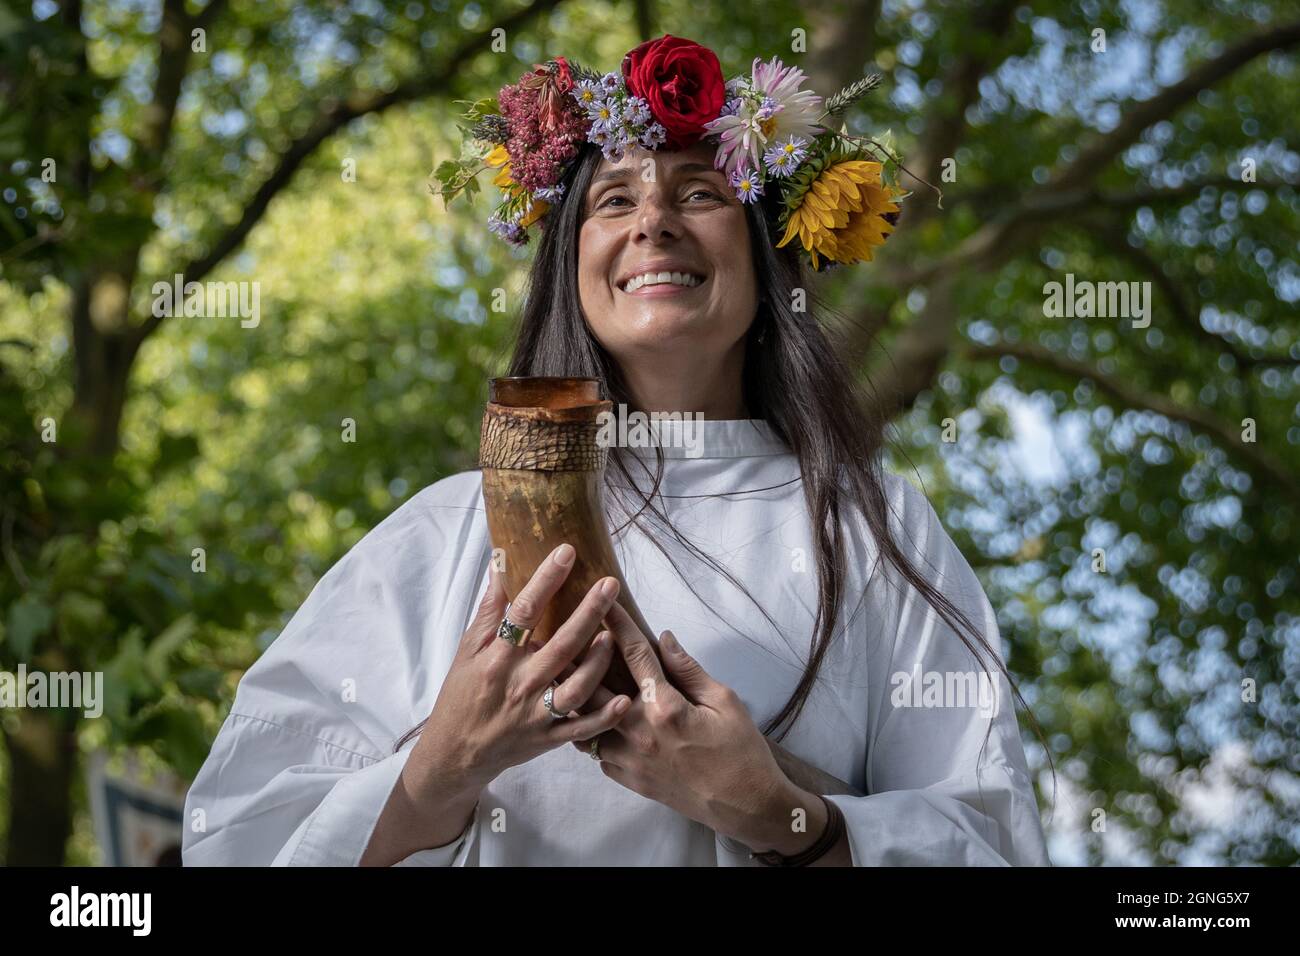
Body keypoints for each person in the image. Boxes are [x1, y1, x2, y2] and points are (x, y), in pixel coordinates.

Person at [182, 35, 1051, 867]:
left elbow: (991, 842)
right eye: (614, 199)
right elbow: (239, 835)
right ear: (572, 266)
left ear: (764, 259)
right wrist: (438, 768)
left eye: (702, 193)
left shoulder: (871, 523)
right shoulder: (447, 529)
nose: (655, 223)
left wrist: (781, 815)